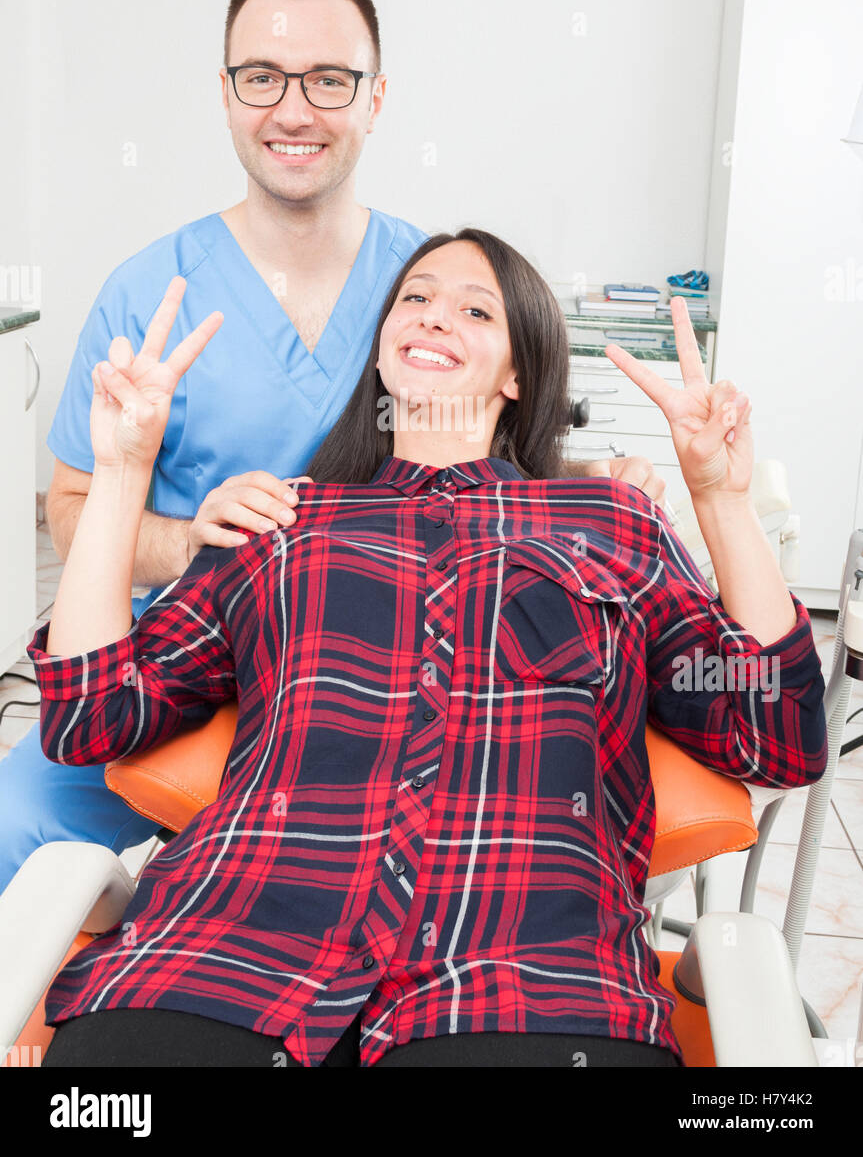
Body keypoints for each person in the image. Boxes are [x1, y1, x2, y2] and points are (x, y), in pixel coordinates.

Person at [31, 229, 827, 1069]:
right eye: (414, 298)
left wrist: (720, 499)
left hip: (530, 982)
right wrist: (122, 472)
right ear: (382, 354)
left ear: (517, 376)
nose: (433, 317)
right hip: (219, 958)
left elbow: (776, 736)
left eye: (474, 309)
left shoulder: (610, 522)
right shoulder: (279, 522)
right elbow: (90, 719)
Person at [0, 0, 665, 894]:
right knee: (13, 820)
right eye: (262, 77)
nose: (295, 110)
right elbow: (74, 506)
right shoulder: (149, 293)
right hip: (183, 668)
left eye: (329, 79)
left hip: (376, 678)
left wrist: (598, 487)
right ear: (227, 94)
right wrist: (190, 540)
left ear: (375, 97)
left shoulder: (425, 288)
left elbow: (493, 450)